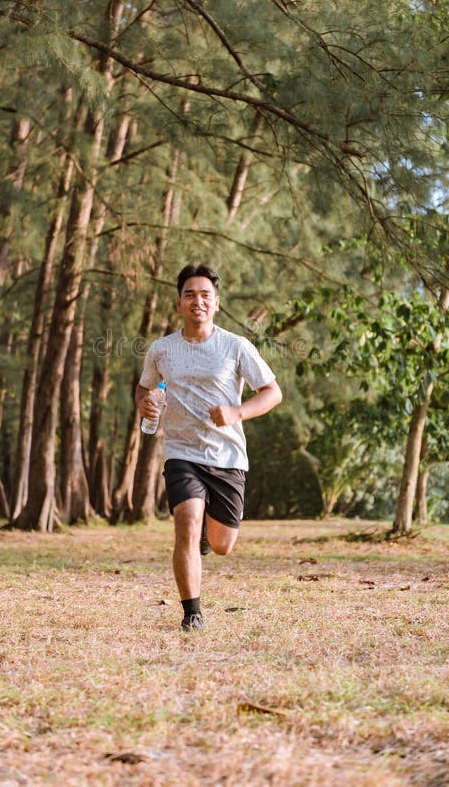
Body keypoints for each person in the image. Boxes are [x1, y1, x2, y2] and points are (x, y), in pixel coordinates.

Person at [135, 263, 282, 632]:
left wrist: (237, 411)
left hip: (228, 456)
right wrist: (145, 401)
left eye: (205, 295)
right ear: (179, 303)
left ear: (216, 304)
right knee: (185, 521)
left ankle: (206, 536)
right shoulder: (161, 349)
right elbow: (144, 388)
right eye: (189, 295)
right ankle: (192, 613)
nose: (197, 301)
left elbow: (272, 393)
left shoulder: (236, 346)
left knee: (221, 545)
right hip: (181, 452)